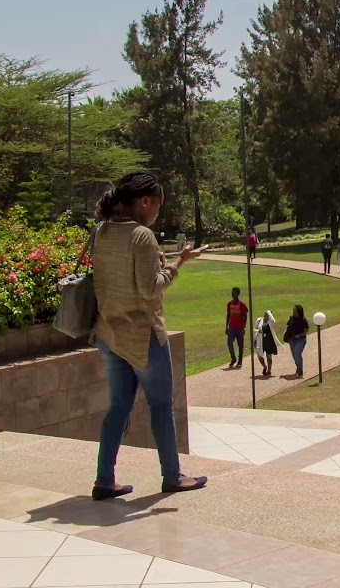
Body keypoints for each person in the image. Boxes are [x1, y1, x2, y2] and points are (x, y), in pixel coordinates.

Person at [90, 170, 205, 500]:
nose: (157, 212)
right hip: (143, 335)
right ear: (143, 201)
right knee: (160, 407)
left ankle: (104, 479)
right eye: (156, 205)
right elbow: (149, 288)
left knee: (118, 408)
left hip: (109, 333)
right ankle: (172, 475)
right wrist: (177, 265)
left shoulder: (102, 231)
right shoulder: (142, 236)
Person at [224, 287, 248, 369]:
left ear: (238, 294)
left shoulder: (242, 304)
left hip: (239, 327)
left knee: (240, 344)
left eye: (234, 293)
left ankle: (240, 360)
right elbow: (228, 315)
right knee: (229, 343)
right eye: (232, 293)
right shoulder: (229, 303)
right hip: (231, 327)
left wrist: (244, 327)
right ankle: (233, 358)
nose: (233, 294)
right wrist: (226, 327)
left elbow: (245, 316)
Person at [283, 305, 309, 379]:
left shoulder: (303, 319)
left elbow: (306, 330)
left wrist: (300, 335)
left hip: (300, 339)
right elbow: (288, 326)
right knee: (294, 355)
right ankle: (298, 367)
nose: (293, 312)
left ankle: (300, 371)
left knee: (297, 354)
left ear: (299, 311)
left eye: (295, 311)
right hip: (292, 339)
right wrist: (286, 332)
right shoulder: (292, 319)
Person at [253, 309, 280, 377]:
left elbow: (273, 321)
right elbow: (254, 329)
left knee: (269, 356)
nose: (266, 315)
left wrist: (270, 314)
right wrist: (258, 331)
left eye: (267, 315)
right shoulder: (259, 320)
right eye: (265, 314)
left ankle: (269, 370)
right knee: (259, 355)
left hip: (269, 341)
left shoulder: (270, 321)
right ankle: (264, 366)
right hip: (260, 341)